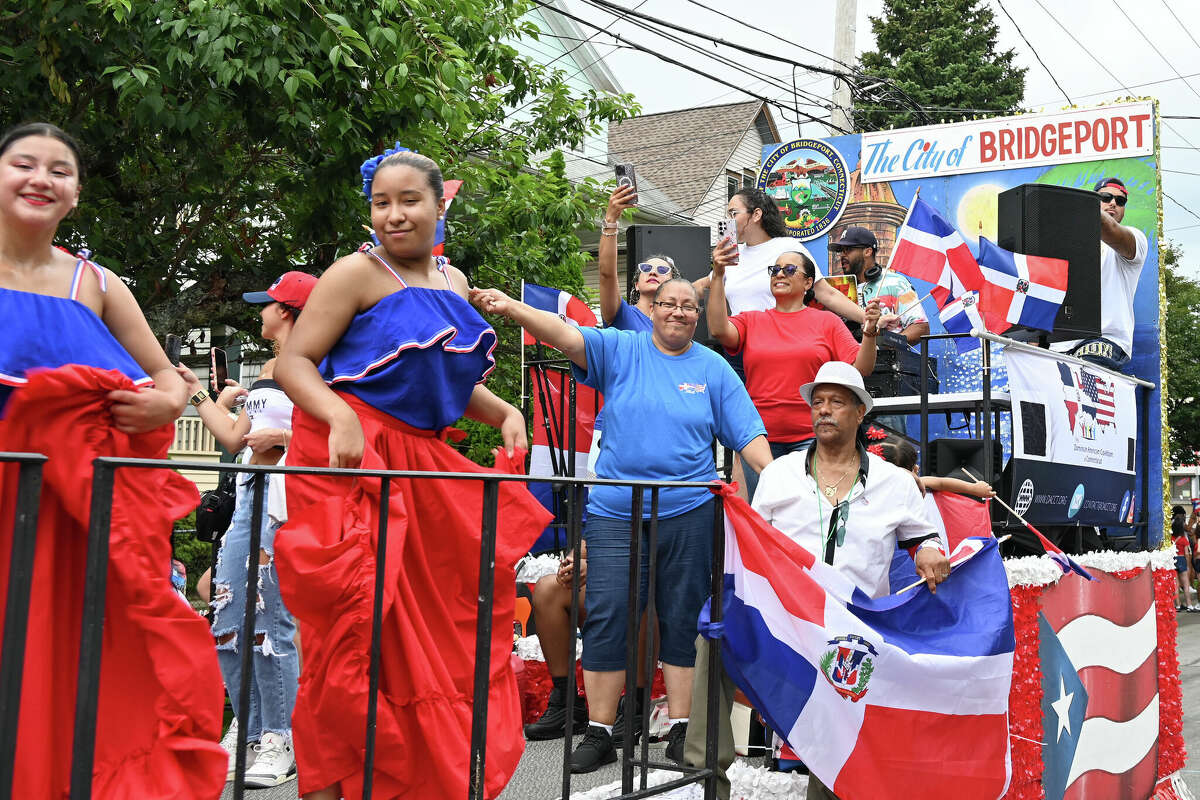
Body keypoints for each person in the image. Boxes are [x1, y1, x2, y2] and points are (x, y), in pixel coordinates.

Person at [272, 146, 552, 800]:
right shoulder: (355, 272)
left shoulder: (453, 281)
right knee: (351, 634)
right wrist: (338, 416)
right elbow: (294, 363)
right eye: (381, 203)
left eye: (408, 201)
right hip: (357, 461)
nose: (393, 215)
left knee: (439, 635)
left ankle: (417, 781)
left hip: (422, 466)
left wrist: (506, 410)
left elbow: (443, 382)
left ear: (438, 206)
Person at [0, 122, 225, 797]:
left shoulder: (95, 282)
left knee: (71, 663)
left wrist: (162, 405)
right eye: (24, 163)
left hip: (74, 517)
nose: (41, 179)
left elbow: (169, 380)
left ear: (75, 196)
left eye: (60, 170)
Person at [470, 277, 772, 773]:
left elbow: (749, 435)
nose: (678, 312)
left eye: (688, 306)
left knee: (681, 617)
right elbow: (564, 333)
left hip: (689, 509)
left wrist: (784, 484)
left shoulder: (713, 367)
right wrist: (511, 308)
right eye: (669, 303)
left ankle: (682, 730)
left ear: (698, 316)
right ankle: (600, 732)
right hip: (615, 511)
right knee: (608, 614)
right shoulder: (620, 348)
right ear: (652, 310)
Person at [683, 361, 950, 800]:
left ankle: (831, 788)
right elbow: (753, 545)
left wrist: (928, 551)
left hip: (851, 630)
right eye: (818, 402)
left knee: (841, 735)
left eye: (837, 402)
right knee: (714, 636)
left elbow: (924, 538)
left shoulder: (895, 482)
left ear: (860, 413)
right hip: (784, 622)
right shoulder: (779, 474)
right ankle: (707, 780)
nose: (824, 410)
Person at [175, 270, 315, 787]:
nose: (260, 311)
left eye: (268, 303)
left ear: (288, 312)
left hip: (286, 497)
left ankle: (281, 737)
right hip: (250, 494)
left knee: (270, 621)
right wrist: (198, 394)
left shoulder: (319, 362)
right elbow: (235, 440)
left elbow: (344, 431)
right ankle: (251, 735)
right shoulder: (269, 369)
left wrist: (285, 438)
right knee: (227, 616)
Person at [706, 246, 880, 500]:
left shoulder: (827, 322)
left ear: (808, 283)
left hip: (812, 437)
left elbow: (862, 368)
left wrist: (870, 333)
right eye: (774, 270)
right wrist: (719, 275)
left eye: (789, 269)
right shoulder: (751, 320)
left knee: (811, 512)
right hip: (760, 439)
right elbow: (718, 329)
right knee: (766, 513)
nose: (779, 274)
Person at [523, 541, 657, 745]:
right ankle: (567, 701)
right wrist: (572, 562)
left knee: (640, 592)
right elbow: (592, 538)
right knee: (547, 589)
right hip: (609, 574)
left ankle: (636, 705)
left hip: (642, 581)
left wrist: (597, 567)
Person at [695, 188, 870, 324]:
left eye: (733, 214)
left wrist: (868, 320)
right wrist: (677, 289)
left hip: (779, 342)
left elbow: (827, 294)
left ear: (756, 214)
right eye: (727, 215)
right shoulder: (731, 255)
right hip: (737, 345)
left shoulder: (788, 247)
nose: (728, 221)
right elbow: (703, 286)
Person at [1055, 177, 1148, 370]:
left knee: (1084, 376)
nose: (1113, 203)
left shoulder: (1135, 238)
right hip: (1060, 343)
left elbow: (1110, 228)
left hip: (1105, 339)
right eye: (1106, 197)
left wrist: (1081, 205)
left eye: (1120, 201)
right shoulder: (1068, 244)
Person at [598, 182, 681, 332]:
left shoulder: (678, 324)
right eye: (646, 268)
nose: (653, 272)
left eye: (662, 270)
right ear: (636, 284)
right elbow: (607, 274)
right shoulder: (622, 315)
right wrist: (611, 220)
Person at [830, 226, 929, 345]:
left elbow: (921, 327)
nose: (842, 255)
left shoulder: (895, 282)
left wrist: (889, 343)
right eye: (840, 251)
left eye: (848, 250)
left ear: (867, 252)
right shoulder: (833, 291)